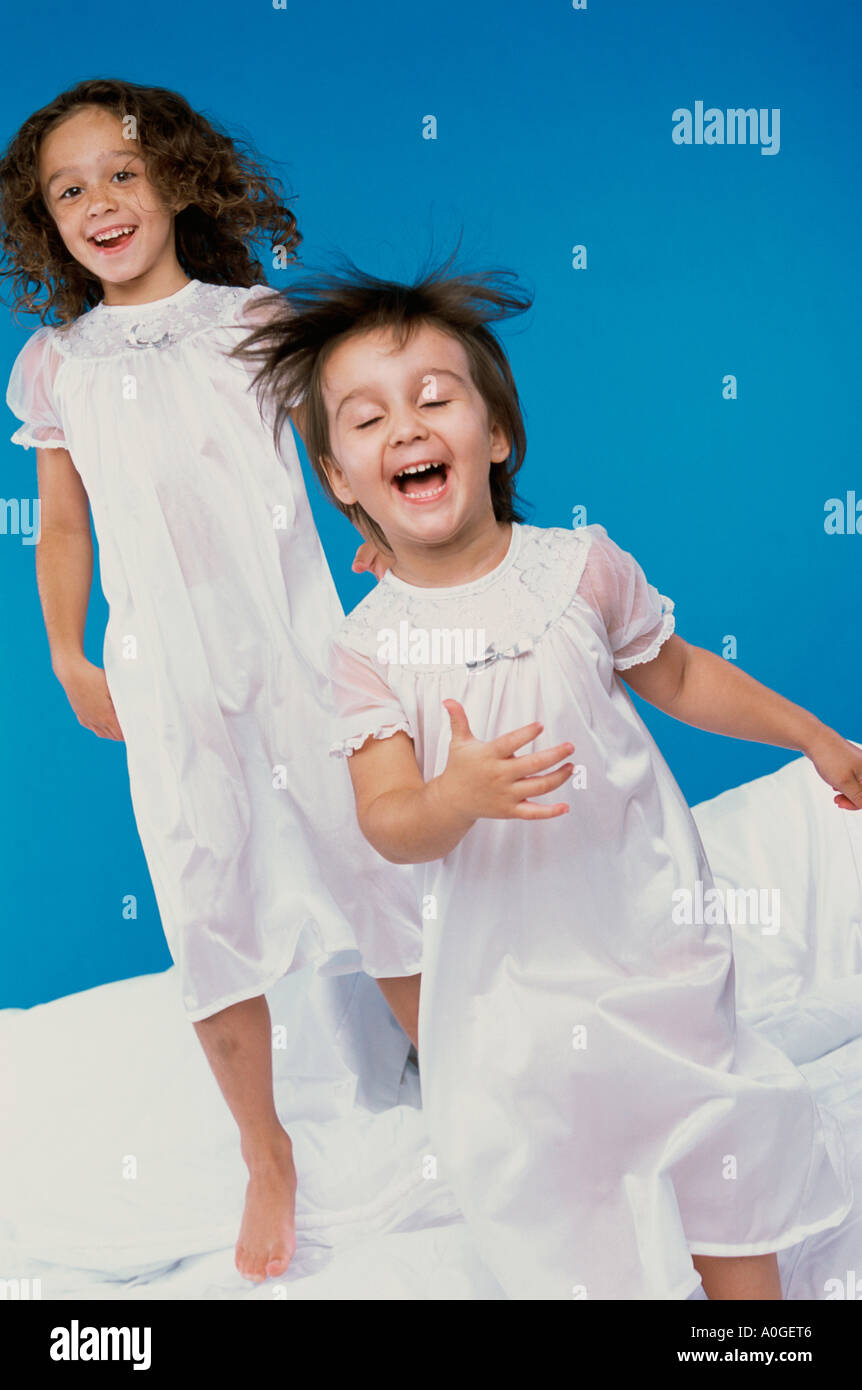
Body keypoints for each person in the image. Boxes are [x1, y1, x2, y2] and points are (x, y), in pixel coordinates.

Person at [236, 253, 860, 1299]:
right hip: (513, 978)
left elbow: (680, 671)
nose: (406, 427)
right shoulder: (369, 646)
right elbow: (387, 819)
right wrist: (453, 797)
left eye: (434, 398)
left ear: (498, 437)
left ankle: (750, 1318)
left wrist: (813, 736)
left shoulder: (578, 567)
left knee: (711, 1119)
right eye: (365, 418)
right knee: (554, 1164)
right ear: (341, 481)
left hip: (651, 929)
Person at [1, 79, 423, 1285]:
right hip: (165, 676)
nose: (99, 202)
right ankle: (266, 1151)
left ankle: (457, 1068)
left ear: (176, 180)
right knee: (203, 895)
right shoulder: (56, 365)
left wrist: (384, 538)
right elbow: (65, 524)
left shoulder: (256, 320)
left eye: (121, 174)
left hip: (294, 649)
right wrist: (71, 651)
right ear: (48, 224)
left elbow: (337, 445)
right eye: (68, 189)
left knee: (373, 857)